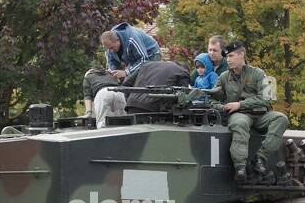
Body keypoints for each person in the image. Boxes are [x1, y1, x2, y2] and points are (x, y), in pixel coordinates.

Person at [211, 42, 288, 184]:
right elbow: (213, 100)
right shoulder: (223, 77)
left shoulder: (258, 74)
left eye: (231, 56)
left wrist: (240, 104)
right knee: (239, 124)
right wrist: (224, 108)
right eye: (227, 57)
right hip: (240, 115)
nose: (228, 59)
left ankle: (260, 158)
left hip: (261, 115)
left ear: (241, 55)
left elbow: (267, 99)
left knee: (281, 118)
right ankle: (240, 167)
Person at [121, 60, 192, 113]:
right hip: (154, 110)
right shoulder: (182, 72)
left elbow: (126, 85)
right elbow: (183, 98)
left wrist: (130, 100)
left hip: (132, 106)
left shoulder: (147, 65)